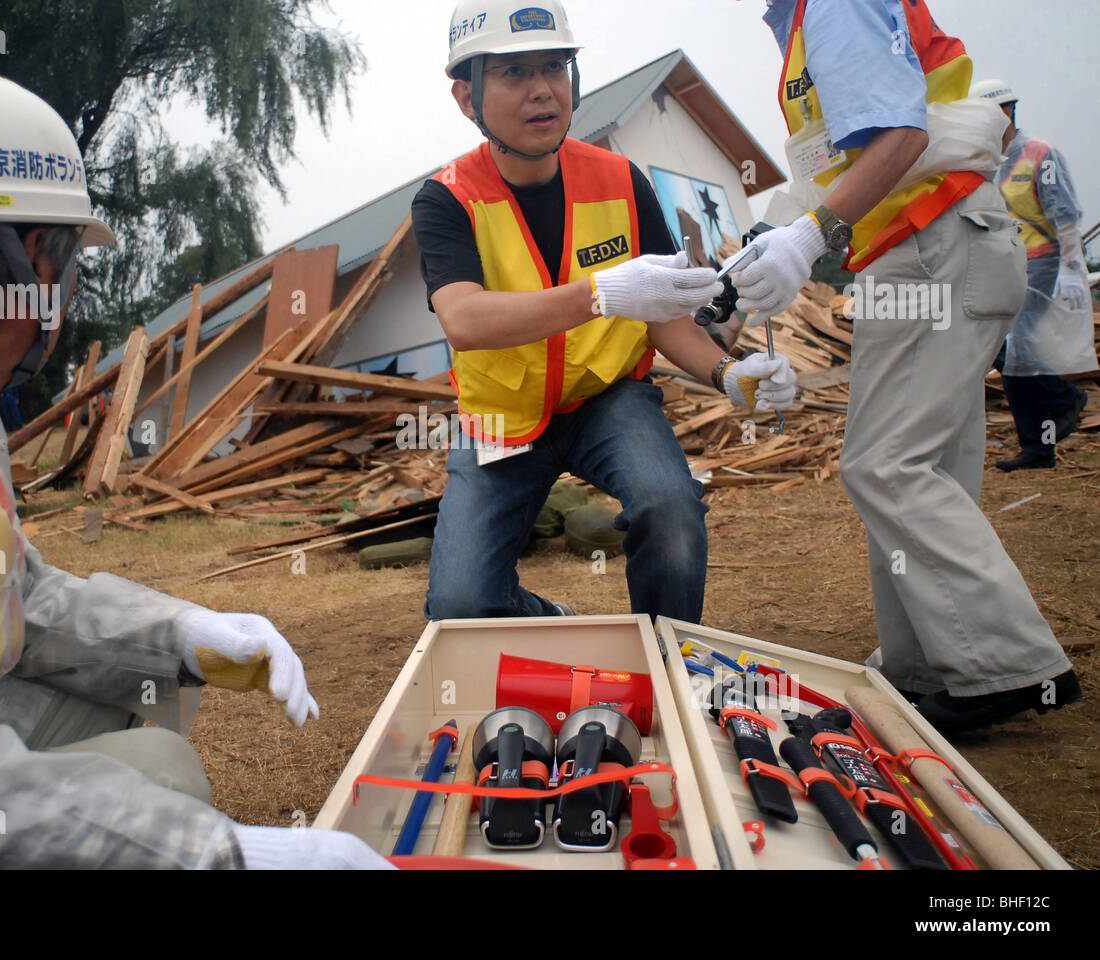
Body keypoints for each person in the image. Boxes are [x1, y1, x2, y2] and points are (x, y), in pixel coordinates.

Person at [0, 66, 389, 869]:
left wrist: (183, 635)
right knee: (159, 783)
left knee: (131, 722)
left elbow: (16, 594)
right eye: (71, 260)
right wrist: (221, 856)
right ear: (35, 257)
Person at [733, 0, 1078, 732]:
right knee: (926, 464)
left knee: (885, 463)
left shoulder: (831, 4)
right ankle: (930, 664)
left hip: (932, 245)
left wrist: (809, 237)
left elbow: (900, 135)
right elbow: (855, 150)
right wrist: (779, 232)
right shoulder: (802, 22)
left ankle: (1005, 664)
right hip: (939, 244)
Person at [414, 1, 797, 626]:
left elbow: (664, 314)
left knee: (670, 507)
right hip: (503, 417)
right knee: (460, 604)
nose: (542, 91)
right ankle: (552, 619)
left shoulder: (620, 179)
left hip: (609, 398)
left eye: (555, 68)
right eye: (514, 74)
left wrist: (730, 373)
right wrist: (602, 293)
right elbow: (464, 320)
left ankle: (664, 654)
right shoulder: (446, 200)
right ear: (467, 96)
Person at [971, 79, 1092, 472]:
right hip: (1006, 266)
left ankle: (1064, 400)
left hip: (1043, 263)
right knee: (1014, 355)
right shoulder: (987, 163)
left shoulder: (1041, 153)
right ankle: (1041, 445)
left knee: (1022, 350)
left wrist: (1073, 269)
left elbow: (1065, 214)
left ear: (1006, 112)